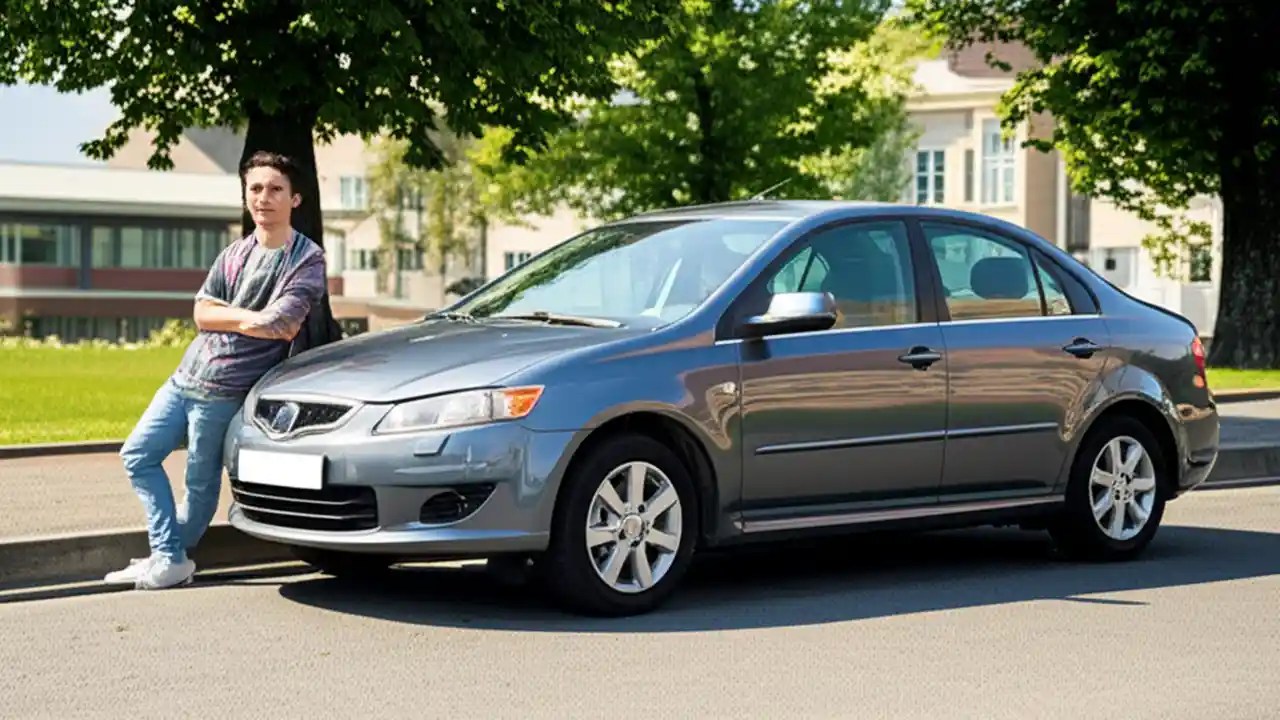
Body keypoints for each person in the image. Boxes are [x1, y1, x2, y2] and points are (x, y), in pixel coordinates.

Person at [104, 151, 328, 590]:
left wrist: (231, 314)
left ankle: (166, 558)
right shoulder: (234, 253)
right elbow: (202, 314)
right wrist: (249, 318)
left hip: (224, 392)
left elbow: (281, 324)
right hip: (183, 379)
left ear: (296, 198)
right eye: (256, 188)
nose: (264, 198)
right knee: (137, 454)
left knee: (200, 486)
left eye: (276, 189)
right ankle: (167, 555)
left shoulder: (306, 259)